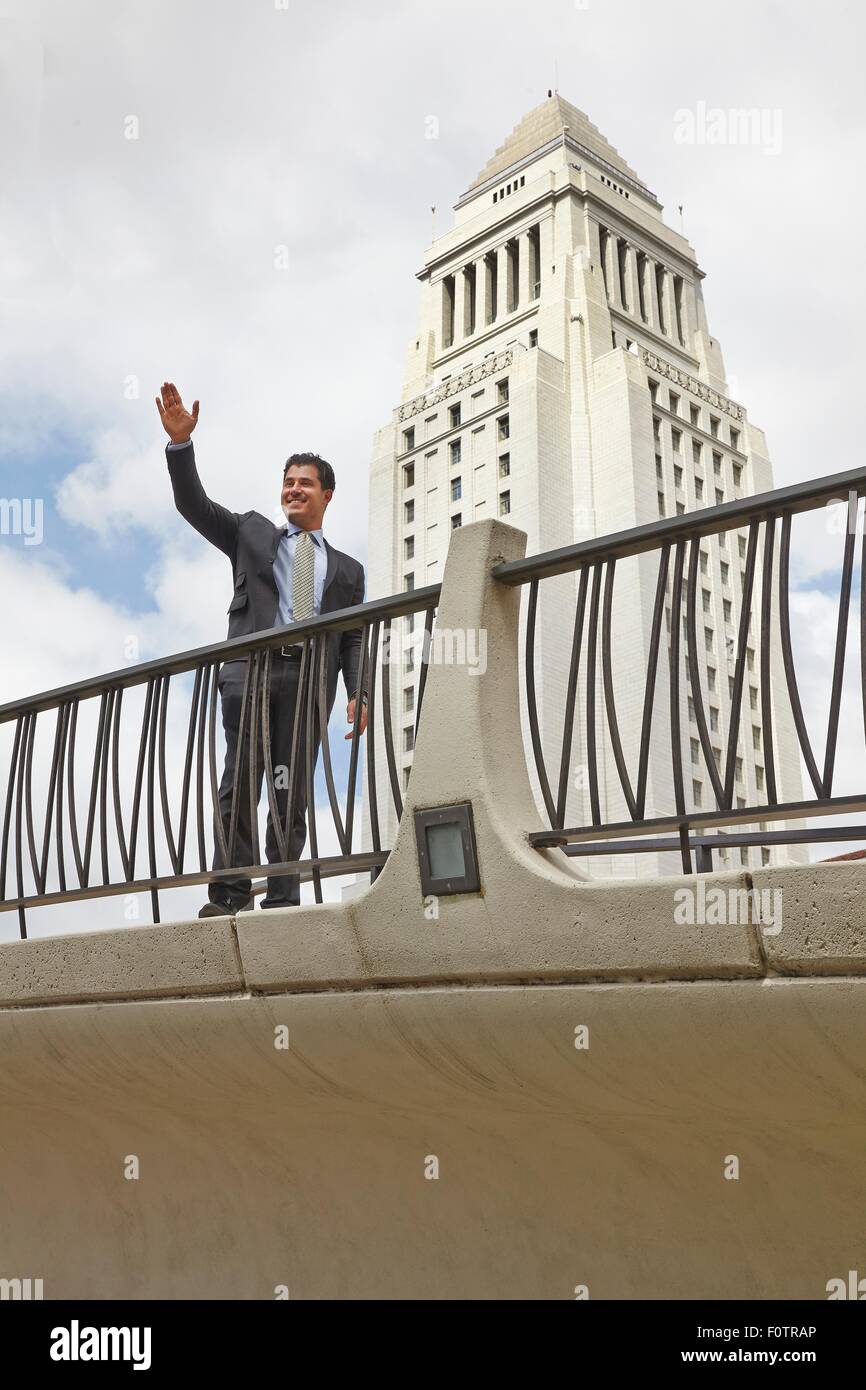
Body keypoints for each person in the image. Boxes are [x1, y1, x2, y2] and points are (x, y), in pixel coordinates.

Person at [156, 381, 368, 916]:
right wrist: (181, 446)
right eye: (288, 482)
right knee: (239, 786)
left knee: (289, 792)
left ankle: (280, 898)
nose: (294, 490)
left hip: (305, 685)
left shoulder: (347, 571)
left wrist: (358, 692)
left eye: (305, 484)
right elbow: (194, 506)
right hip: (249, 676)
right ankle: (227, 897)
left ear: (327, 495)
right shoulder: (252, 533)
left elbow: (353, 637)